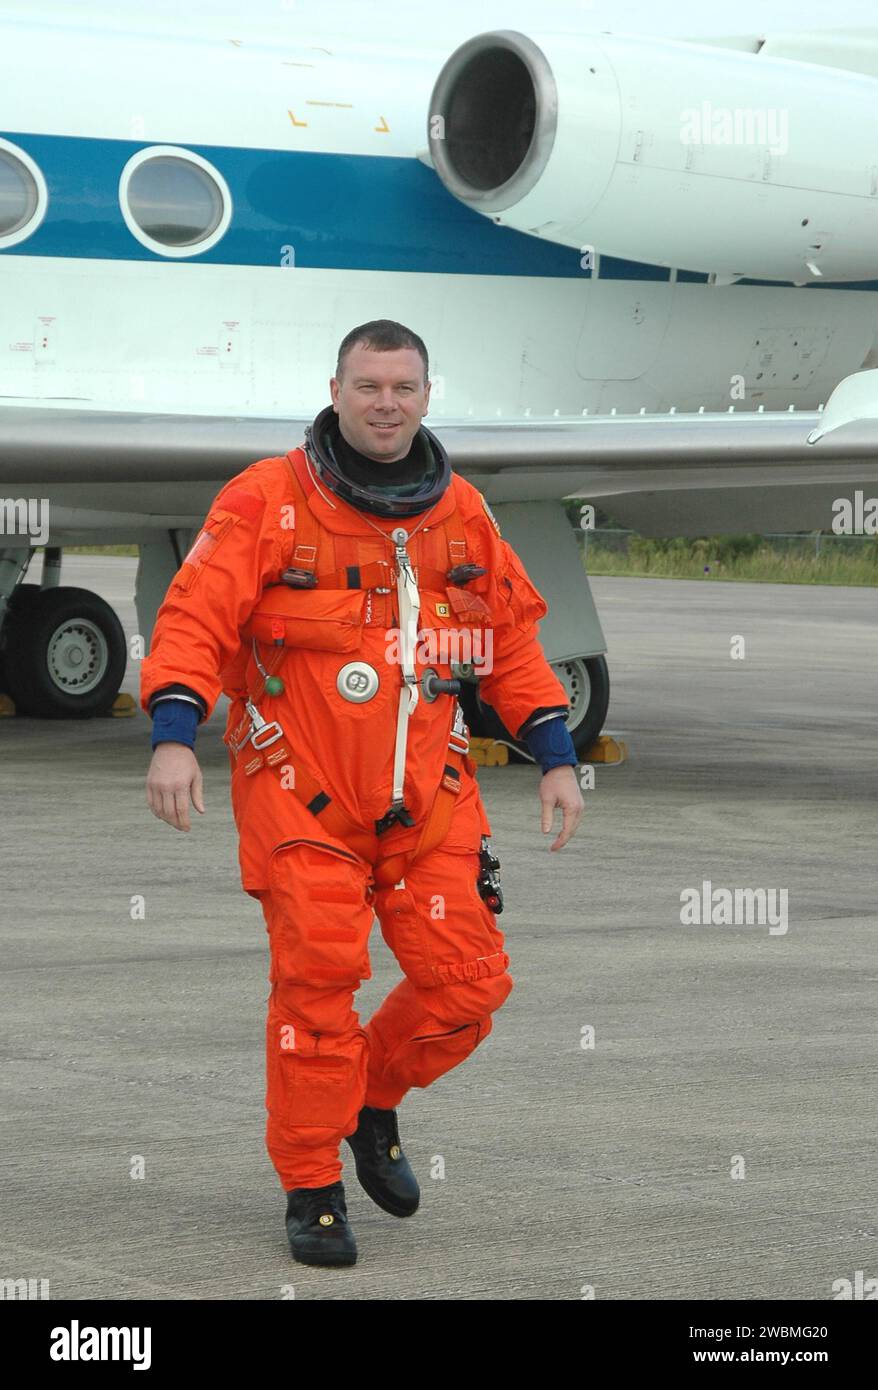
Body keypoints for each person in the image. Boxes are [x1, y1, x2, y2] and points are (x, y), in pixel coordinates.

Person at [141, 319, 584, 1268]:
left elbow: (507, 644)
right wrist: (174, 736)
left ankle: (368, 1101)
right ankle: (312, 1187)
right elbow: (193, 622)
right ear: (336, 390)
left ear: (427, 396)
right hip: (304, 803)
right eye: (369, 385)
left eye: (405, 388)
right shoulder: (267, 502)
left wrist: (553, 751)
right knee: (317, 993)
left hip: (430, 802)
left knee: (469, 988)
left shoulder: (461, 512)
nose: (387, 404)